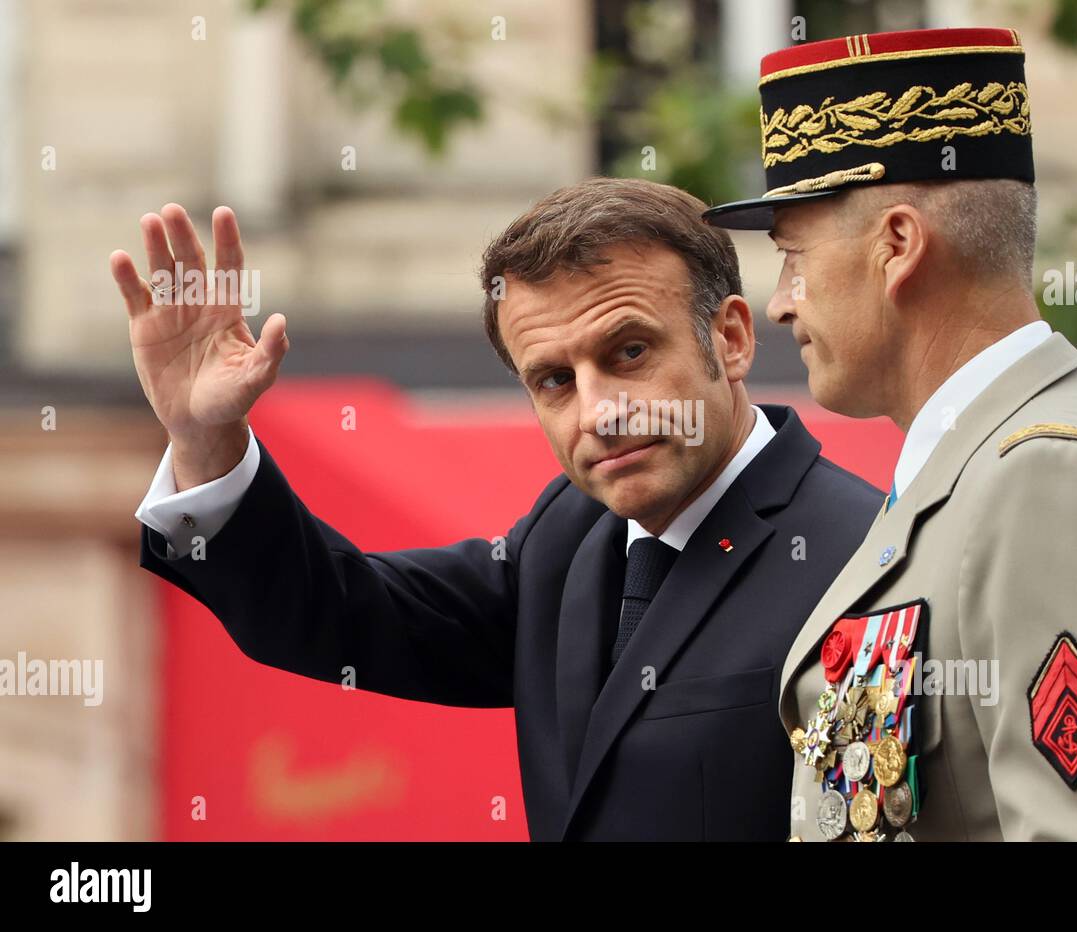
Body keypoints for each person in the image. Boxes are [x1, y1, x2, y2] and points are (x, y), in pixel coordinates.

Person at [109, 178, 885, 841]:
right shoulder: (570, 538)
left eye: (630, 353)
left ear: (732, 338)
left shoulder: (865, 557)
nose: (599, 412)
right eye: (553, 380)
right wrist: (207, 439)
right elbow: (338, 613)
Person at [704, 27, 1077, 841]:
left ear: (896, 246)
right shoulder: (969, 473)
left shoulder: (1049, 482)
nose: (780, 302)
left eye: (792, 254)